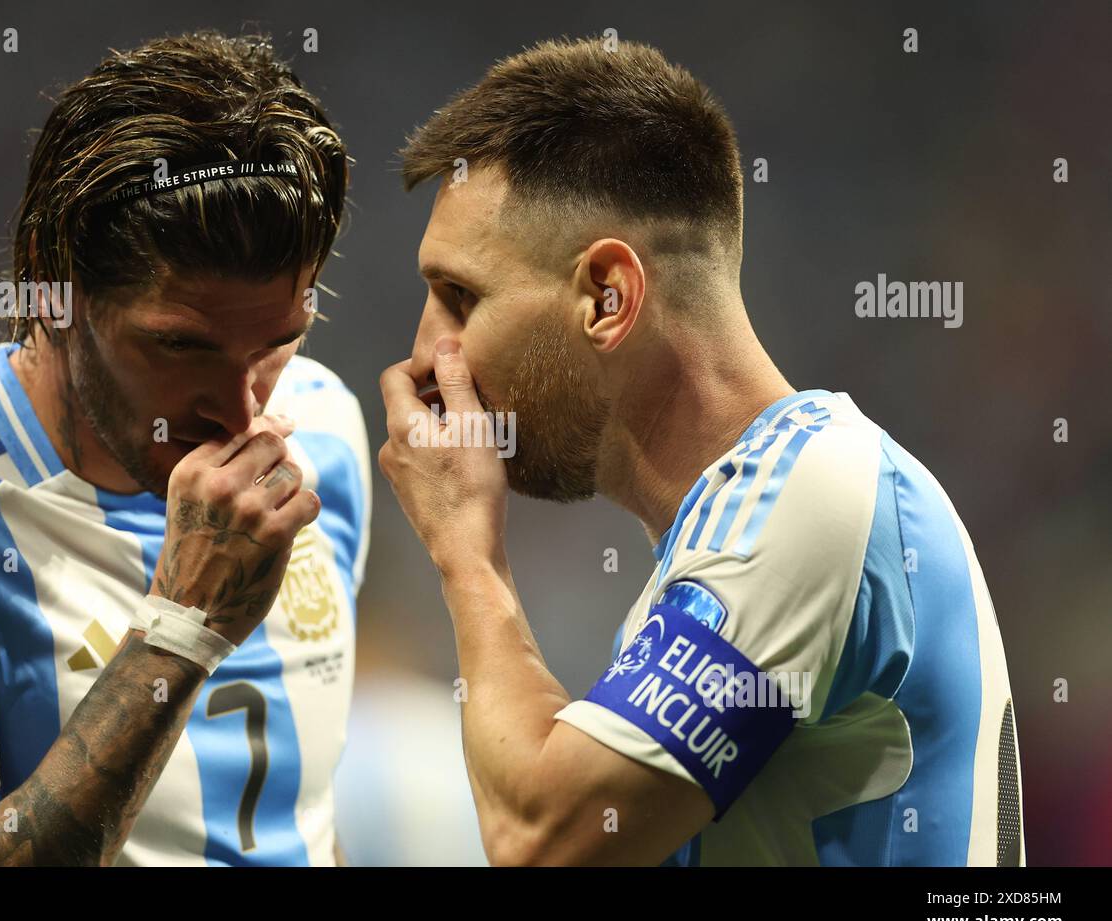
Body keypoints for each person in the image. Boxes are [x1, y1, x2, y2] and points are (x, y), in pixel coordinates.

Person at [378, 37, 1023, 866]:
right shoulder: (734, 534)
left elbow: (541, 839)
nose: (428, 353)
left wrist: (467, 555)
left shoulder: (808, 493)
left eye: (460, 298)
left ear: (608, 297)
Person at [0, 30, 370, 866]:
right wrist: (182, 634)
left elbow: (304, 822)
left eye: (278, 343)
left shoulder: (324, 424)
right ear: (50, 284)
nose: (241, 409)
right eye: (181, 348)